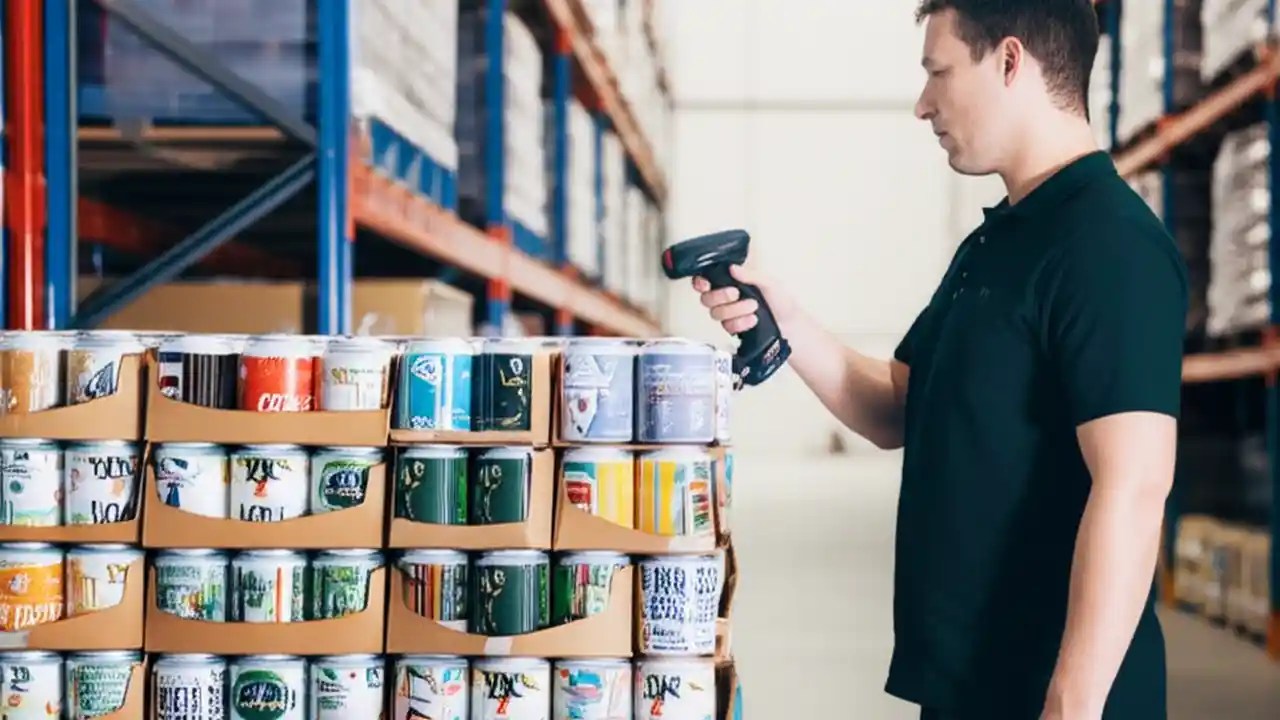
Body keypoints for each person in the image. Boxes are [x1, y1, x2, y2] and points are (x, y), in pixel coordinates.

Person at [693, 1, 1187, 718]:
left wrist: (1071, 705)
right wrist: (786, 322)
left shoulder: (1110, 247)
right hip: (970, 689)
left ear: (1010, 61)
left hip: (1052, 698)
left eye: (939, 72)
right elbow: (899, 405)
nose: (924, 104)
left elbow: (1135, 488)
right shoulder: (997, 242)